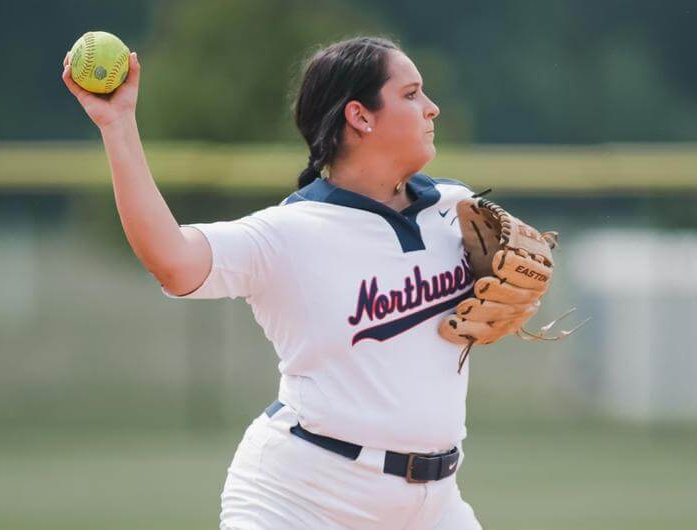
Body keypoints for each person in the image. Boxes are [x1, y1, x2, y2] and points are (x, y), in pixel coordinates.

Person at [62, 36, 538, 529]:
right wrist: (118, 126)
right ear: (360, 116)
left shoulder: (455, 209)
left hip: (435, 506)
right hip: (303, 501)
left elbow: (506, 289)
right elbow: (173, 261)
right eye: (412, 93)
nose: (432, 108)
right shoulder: (291, 233)